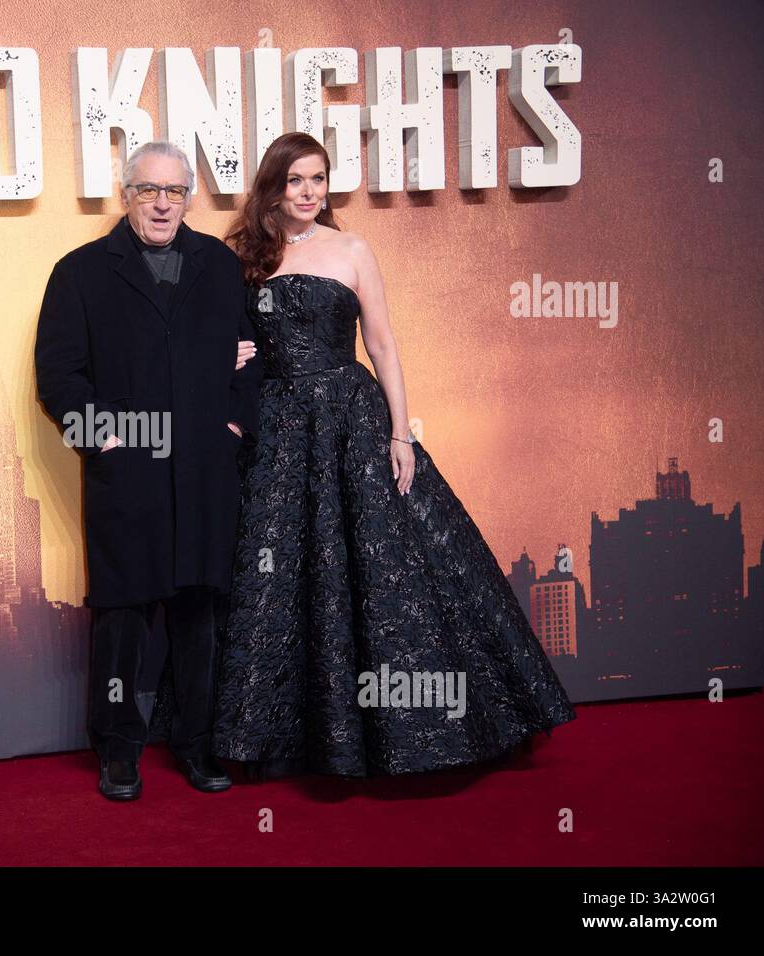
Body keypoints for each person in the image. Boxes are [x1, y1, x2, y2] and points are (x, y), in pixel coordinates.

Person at [213, 132, 577, 781]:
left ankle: (412, 736)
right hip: (277, 428)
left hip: (351, 419)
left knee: (382, 566)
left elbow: (382, 344)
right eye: (296, 180)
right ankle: (291, 740)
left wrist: (399, 434)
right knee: (283, 575)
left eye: (318, 180)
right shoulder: (241, 257)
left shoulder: (353, 249)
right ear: (273, 185)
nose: (308, 192)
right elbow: (219, 341)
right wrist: (232, 356)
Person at [34, 141, 263, 800]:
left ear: (189, 196)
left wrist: (233, 425)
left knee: (200, 619)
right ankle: (118, 750)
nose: (162, 203)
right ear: (126, 194)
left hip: (204, 474)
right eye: (148, 190)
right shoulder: (78, 273)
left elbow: (249, 363)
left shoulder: (219, 266)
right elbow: (58, 374)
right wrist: (100, 436)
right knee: (122, 622)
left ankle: (197, 745)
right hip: (126, 477)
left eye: (175, 191)